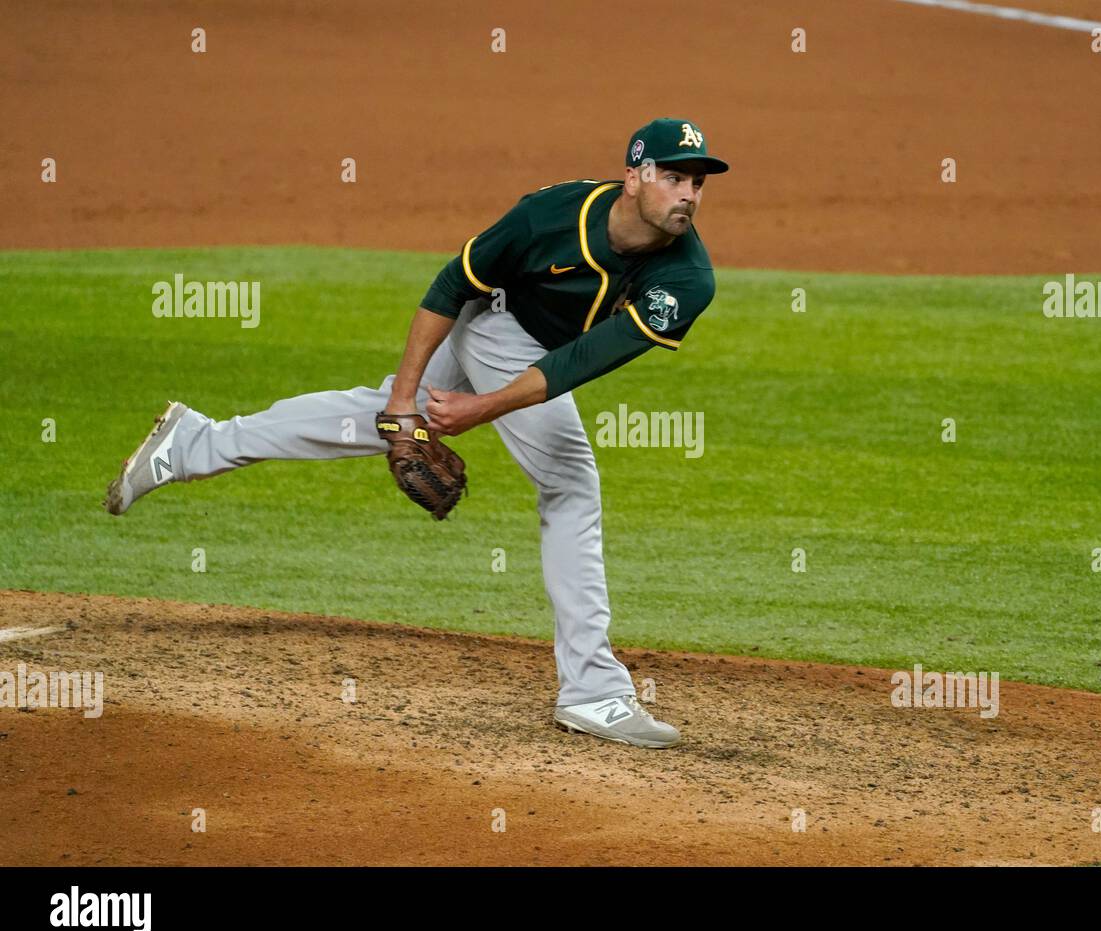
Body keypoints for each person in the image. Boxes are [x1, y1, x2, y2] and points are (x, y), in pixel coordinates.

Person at [104, 118, 729, 749]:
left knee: (377, 415)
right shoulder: (548, 216)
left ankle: (192, 443)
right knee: (568, 484)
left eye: (697, 183)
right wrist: (408, 405)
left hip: (537, 351)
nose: (689, 195)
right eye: (674, 177)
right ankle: (593, 692)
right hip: (492, 323)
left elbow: (579, 362)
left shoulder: (687, 279)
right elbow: (452, 287)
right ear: (634, 176)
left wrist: (469, 409)